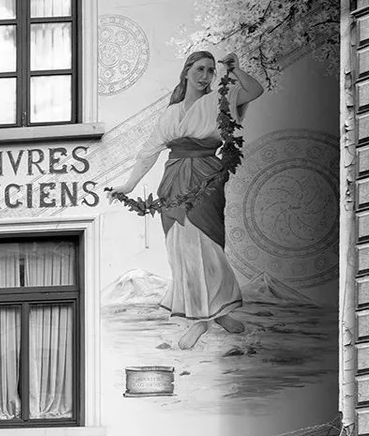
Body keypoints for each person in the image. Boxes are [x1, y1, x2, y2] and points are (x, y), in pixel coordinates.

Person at [111, 50, 264, 350]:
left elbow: (255, 90)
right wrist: (129, 185)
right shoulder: (171, 113)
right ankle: (204, 318)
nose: (205, 75)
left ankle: (212, 314)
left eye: (210, 70)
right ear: (186, 71)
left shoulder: (219, 101)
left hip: (205, 177)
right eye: (200, 69)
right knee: (180, 247)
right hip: (173, 180)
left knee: (206, 245)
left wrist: (236, 68)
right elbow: (149, 151)